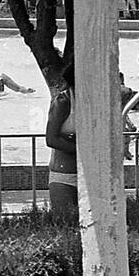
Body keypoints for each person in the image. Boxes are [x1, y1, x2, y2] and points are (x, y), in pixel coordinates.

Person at [46, 60, 78, 223]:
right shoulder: (62, 101)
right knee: (65, 224)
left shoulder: (98, 101)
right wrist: (81, 149)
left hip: (93, 174)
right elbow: (51, 139)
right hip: (64, 175)